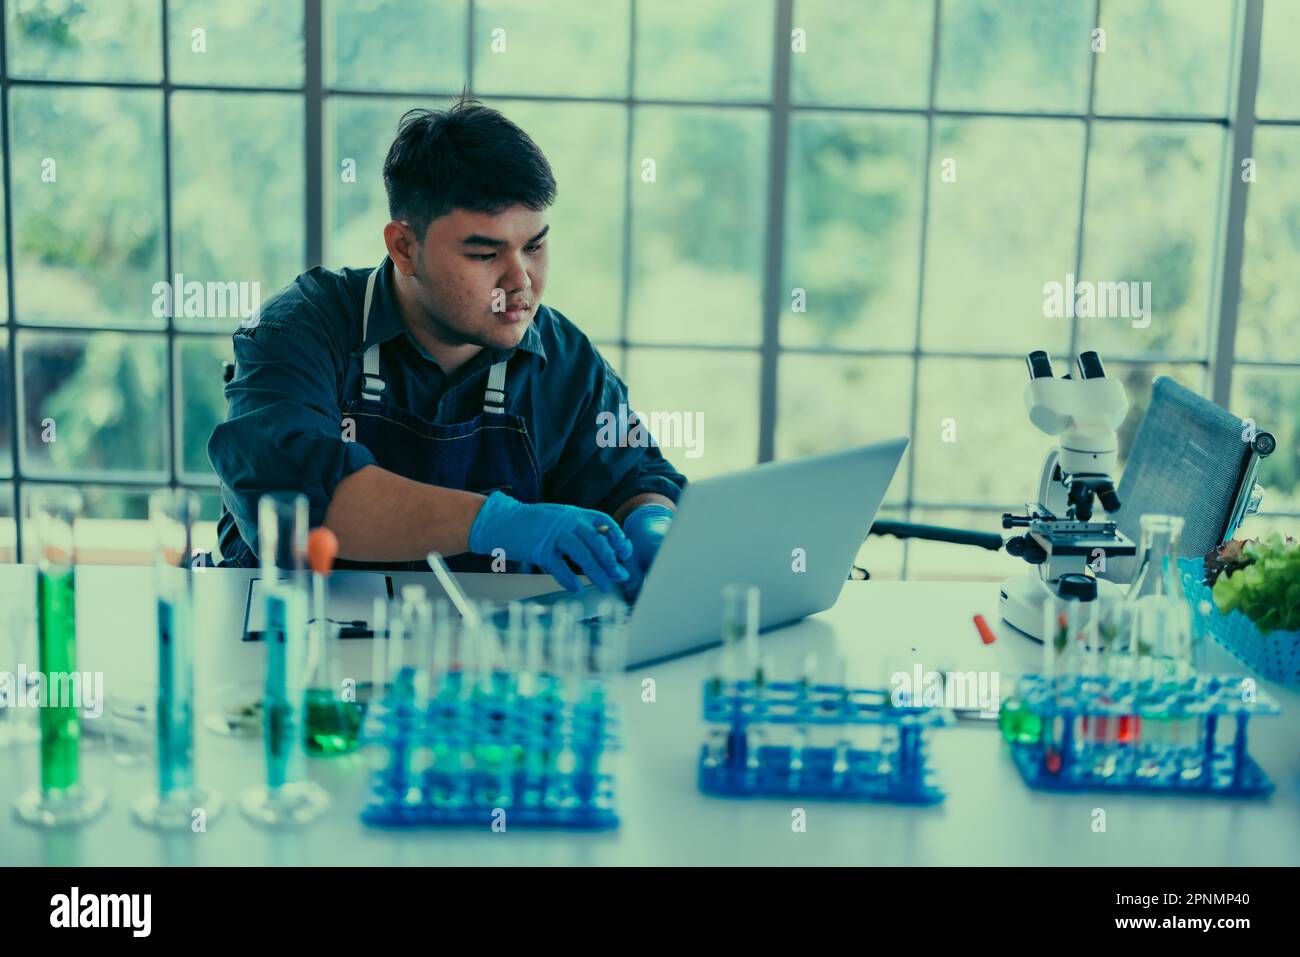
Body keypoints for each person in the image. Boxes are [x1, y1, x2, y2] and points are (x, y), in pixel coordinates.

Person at [208, 99, 686, 596]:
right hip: (300, 644)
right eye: (484, 254)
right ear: (404, 248)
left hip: (487, 653)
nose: (520, 281)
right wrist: (499, 521)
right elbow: (289, 503)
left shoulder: (565, 359)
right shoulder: (299, 331)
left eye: (535, 246)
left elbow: (635, 475)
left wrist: (652, 520)